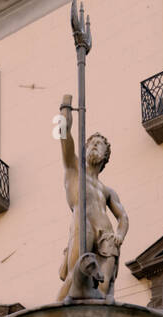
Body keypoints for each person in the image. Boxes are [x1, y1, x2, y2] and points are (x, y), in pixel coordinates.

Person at [57, 94, 129, 302]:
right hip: (84, 224)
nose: (94, 146)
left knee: (104, 289)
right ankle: (54, 314)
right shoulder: (74, 170)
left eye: (99, 144)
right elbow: (64, 137)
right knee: (75, 273)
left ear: (106, 156)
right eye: (91, 143)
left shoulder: (107, 191)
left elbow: (123, 216)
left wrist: (120, 235)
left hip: (106, 235)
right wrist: (65, 109)